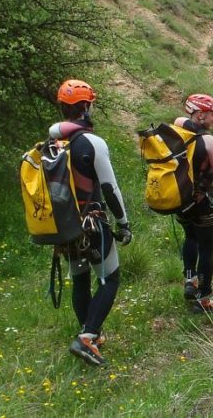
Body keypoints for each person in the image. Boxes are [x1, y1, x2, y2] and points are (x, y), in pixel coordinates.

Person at [50, 79, 132, 367]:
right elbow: (110, 188)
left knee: (81, 278)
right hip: (92, 224)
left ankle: (88, 335)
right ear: (85, 106)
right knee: (110, 279)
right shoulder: (92, 142)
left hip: (65, 228)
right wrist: (123, 223)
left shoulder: (54, 144)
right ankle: (87, 336)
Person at [174, 94, 213, 313]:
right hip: (202, 202)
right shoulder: (209, 141)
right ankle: (203, 298)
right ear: (200, 114)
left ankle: (190, 279)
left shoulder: (175, 131)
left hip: (179, 199)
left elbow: (179, 120)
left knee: (189, 237)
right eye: (212, 113)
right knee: (206, 248)